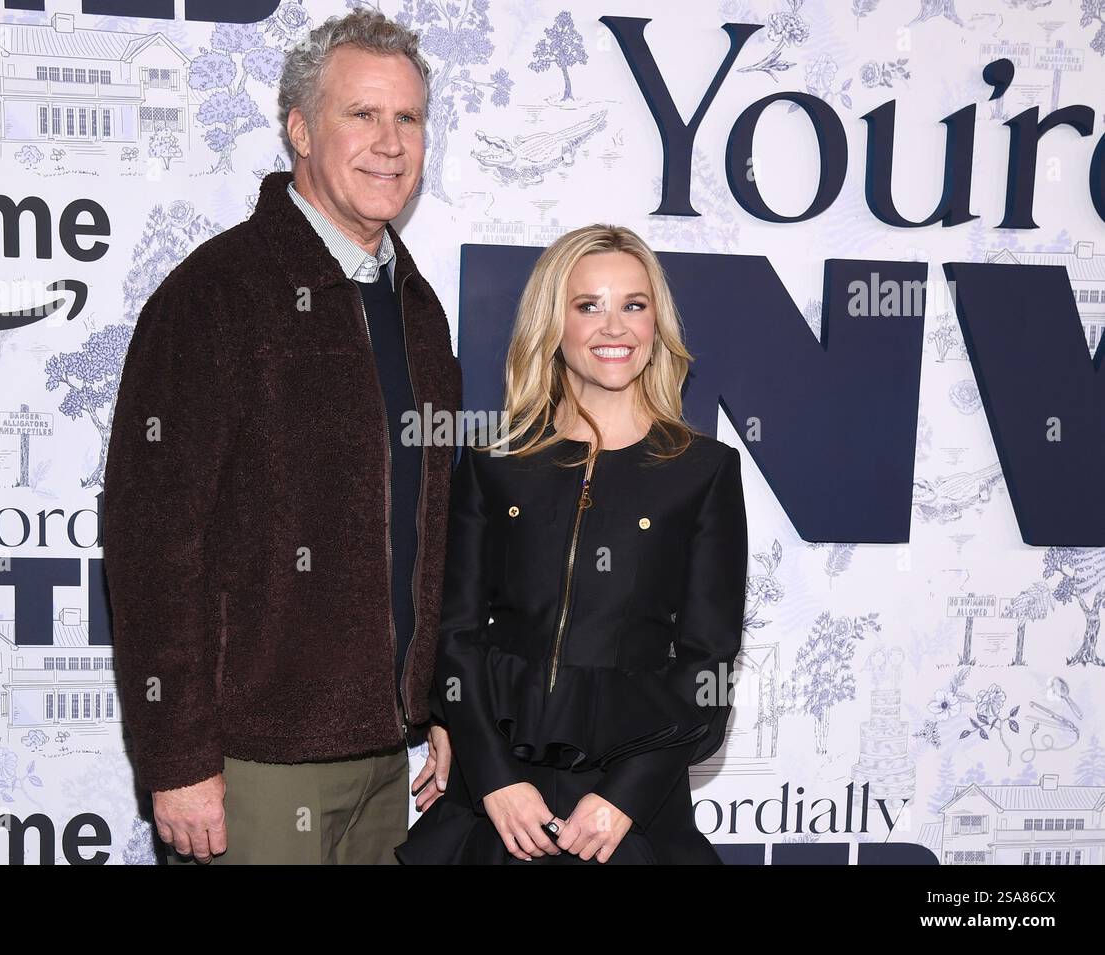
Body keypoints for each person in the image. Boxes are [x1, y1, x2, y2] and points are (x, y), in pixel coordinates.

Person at [102, 9, 462, 864]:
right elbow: (150, 543)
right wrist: (178, 759)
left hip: (388, 758)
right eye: (361, 115)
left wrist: (441, 699)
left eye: (407, 118)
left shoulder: (418, 311)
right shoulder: (216, 296)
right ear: (300, 129)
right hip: (250, 763)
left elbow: (434, 529)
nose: (390, 142)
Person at [395, 224, 749, 864]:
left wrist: (624, 799)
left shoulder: (703, 472)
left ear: (656, 324)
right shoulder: (493, 463)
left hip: (629, 811)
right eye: (588, 305)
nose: (614, 328)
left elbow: (710, 666)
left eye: (633, 306)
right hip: (499, 803)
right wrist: (496, 779)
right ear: (552, 325)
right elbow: (456, 638)